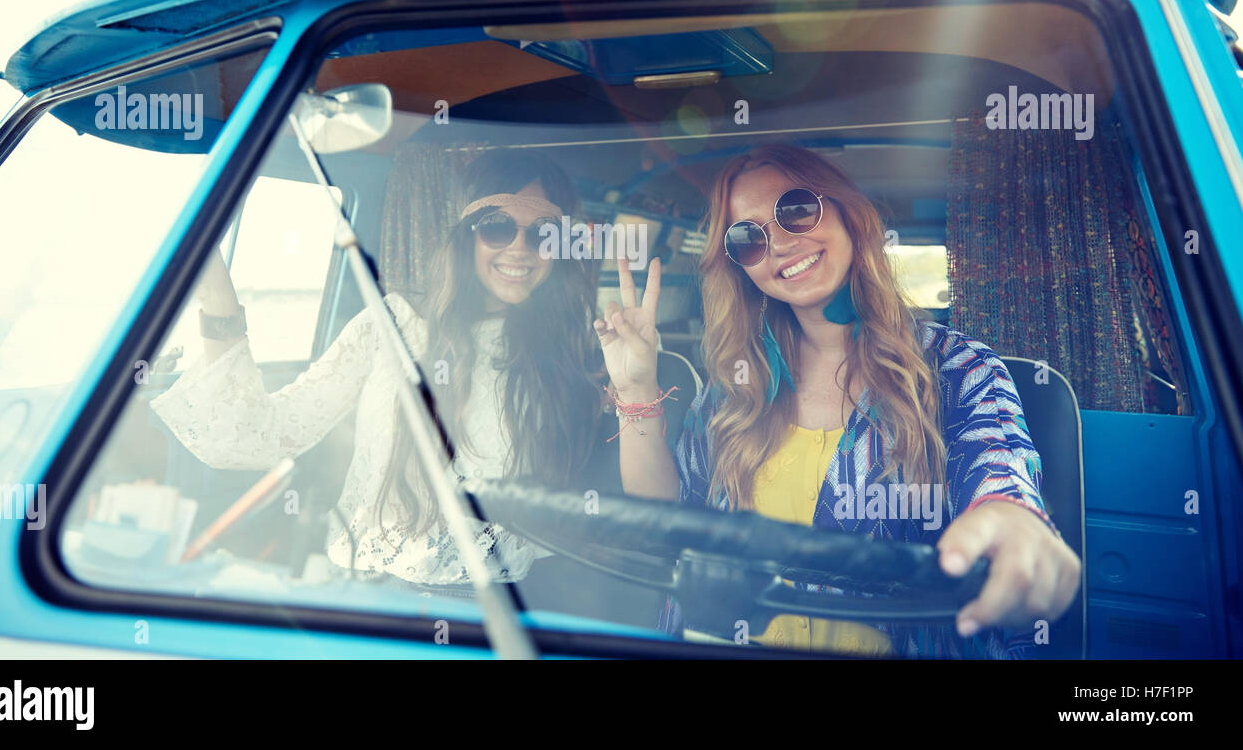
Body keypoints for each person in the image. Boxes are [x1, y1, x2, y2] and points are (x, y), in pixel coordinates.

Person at [597, 143, 1081, 657]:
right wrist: (635, 386)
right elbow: (664, 513)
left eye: (796, 210)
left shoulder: (958, 368)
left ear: (847, 212)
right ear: (740, 267)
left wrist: (1011, 518)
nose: (779, 243)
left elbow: (998, 467)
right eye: (748, 237)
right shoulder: (736, 387)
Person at [150, 149, 604, 589]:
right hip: (359, 591)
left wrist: (634, 386)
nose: (520, 248)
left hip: (480, 609)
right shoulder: (392, 323)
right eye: (498, 227)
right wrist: (214, 296)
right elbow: (256, 435)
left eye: (542, 233)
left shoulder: (566, 354)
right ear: (467, 236)